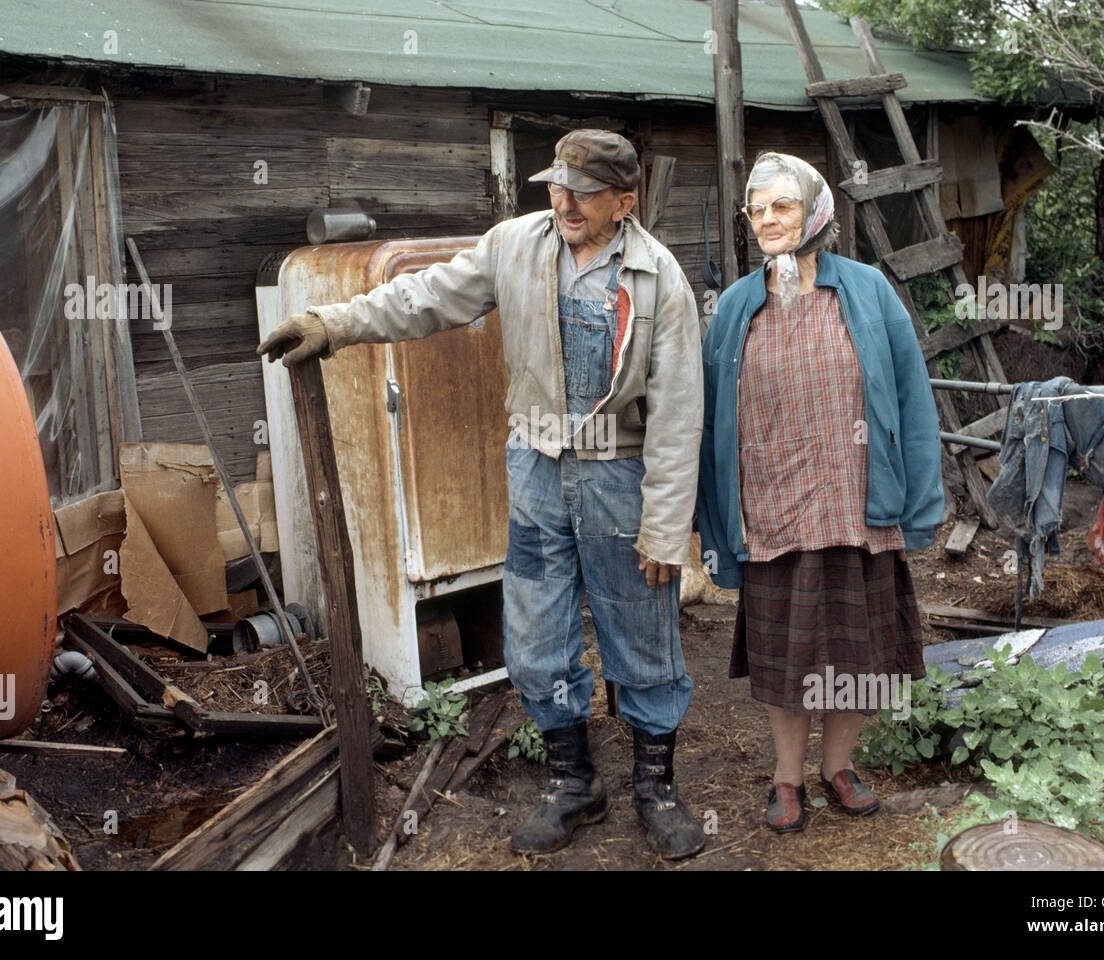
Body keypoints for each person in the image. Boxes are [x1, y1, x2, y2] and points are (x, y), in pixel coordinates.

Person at [257, 130, 707, 860]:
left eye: (583, 192)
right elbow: (424, 297)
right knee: (533, 641)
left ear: (625, 202)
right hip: (535, 470)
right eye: (556, 186)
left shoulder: (660, 280)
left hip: (620, 478)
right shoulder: (513, 246)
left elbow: (680, 415)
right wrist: (333, 324)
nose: (562, 201)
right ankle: (574, 785)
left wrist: (665, 528)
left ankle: (656, 790)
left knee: (642, 636)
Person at [696, 152, 943, 833]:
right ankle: (786, 777)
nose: (768, 219)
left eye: (784, 205)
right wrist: (714, 520)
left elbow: (913, 400)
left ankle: (839, 766)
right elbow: (712, 420)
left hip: (858, 506)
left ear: (816, 213)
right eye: (758, 208)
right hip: (772, 511)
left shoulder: (867, 291)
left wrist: (921, 501)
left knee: (859, 651)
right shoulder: (736, 309)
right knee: (786, 656)